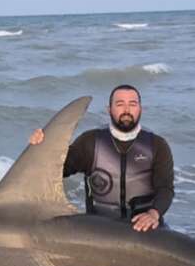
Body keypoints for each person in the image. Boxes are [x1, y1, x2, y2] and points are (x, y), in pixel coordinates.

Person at [29, 84, 174, 232]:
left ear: (140, 109)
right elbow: (57, 169)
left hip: (147, 229)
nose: (126, 110)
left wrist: (153, 213)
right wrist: (40, 147)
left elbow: (165, 189)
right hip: (99, 231)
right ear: (109, 109)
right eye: (119, 104)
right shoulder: (91, 141)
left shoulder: (156, 145)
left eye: (133, 104)